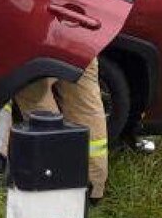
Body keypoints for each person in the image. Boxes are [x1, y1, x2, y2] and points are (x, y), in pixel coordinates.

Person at [14, 62, 108, 203]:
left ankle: (58, 182)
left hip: (45, 44)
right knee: (86, 107)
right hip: (85, 44)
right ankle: (94, 188)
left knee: (35, 96)